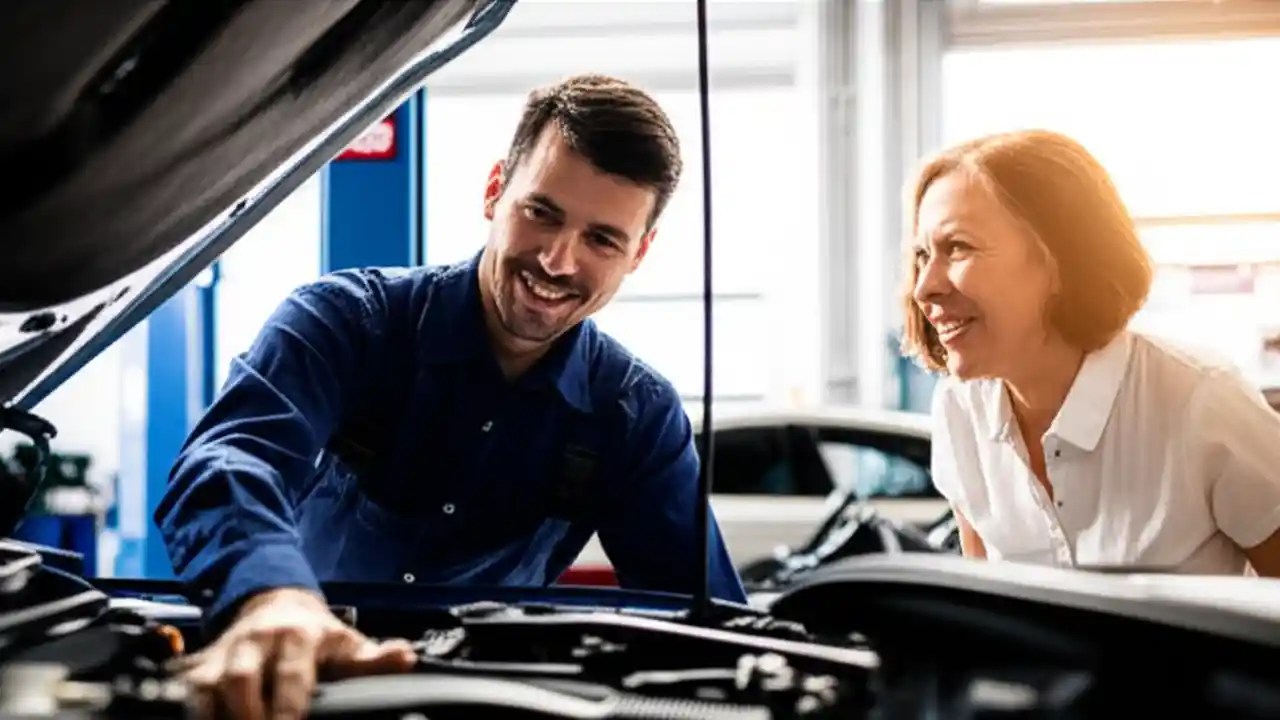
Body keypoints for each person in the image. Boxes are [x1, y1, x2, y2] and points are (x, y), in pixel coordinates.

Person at [154, 73, 747, 720]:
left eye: (601, 239)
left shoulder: (635, 415)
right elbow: (230, 459)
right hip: (297, 690)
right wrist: (270, 595)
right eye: (541, 212)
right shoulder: (347, 322)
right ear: (495, 190)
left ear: (639, 253)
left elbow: (703, 617)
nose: (557, 260)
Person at [901, 128, 1280, 578]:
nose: (924, 287)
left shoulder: (1203, 400)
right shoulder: (959, 409)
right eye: (922, 255)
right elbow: (988, 606)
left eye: (958, 247)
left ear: (1059, 260)